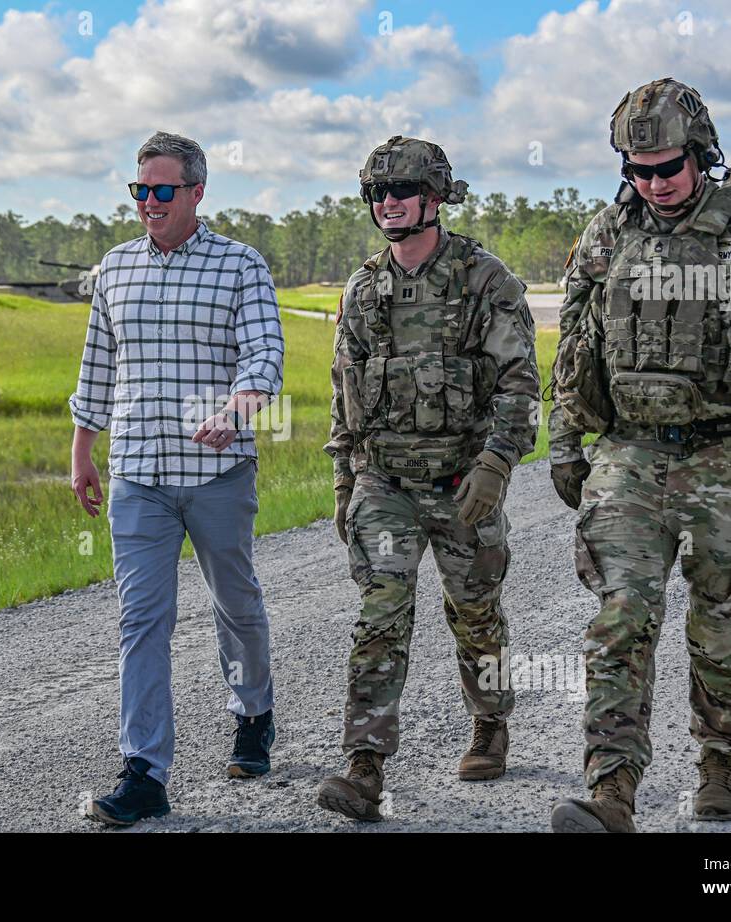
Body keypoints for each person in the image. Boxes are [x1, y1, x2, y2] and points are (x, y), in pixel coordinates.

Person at [547, 78, 731, 832]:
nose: (654, 183)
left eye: (668, 167)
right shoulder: (607, 236)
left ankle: (719, 758)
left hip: (726, 454)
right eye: (638, 171)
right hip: (630, 453)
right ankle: (612, 786)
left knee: (721, 616)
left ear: (702, 154)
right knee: (621, 613)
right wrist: (564, 441)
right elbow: (575, 347)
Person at [318, 136, 541, 822]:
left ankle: (491, 721)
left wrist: (496, 466)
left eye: (402, 190)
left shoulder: (483, 280)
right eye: (377, 194)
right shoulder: (363, 288)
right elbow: (343, 395)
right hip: (385, 481)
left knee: (474, 612)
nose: (388, 203)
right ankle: (364, 766)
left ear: (436, 197)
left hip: (461, 480)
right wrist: (343, 483)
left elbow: (518, 385)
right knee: (381, 612)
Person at [69, 131, 284, 826]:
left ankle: (253, 714)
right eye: (141, 191)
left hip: (218, 472)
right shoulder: (115, 268)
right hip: (139, 476)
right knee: (141, 621)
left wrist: (235, 410)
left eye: (164, 191)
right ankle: (144, 771)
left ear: (196, 191)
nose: (150, 203)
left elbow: (264, 359)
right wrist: (82, 447)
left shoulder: (240, 266)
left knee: (236, 605)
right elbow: (97, 365)